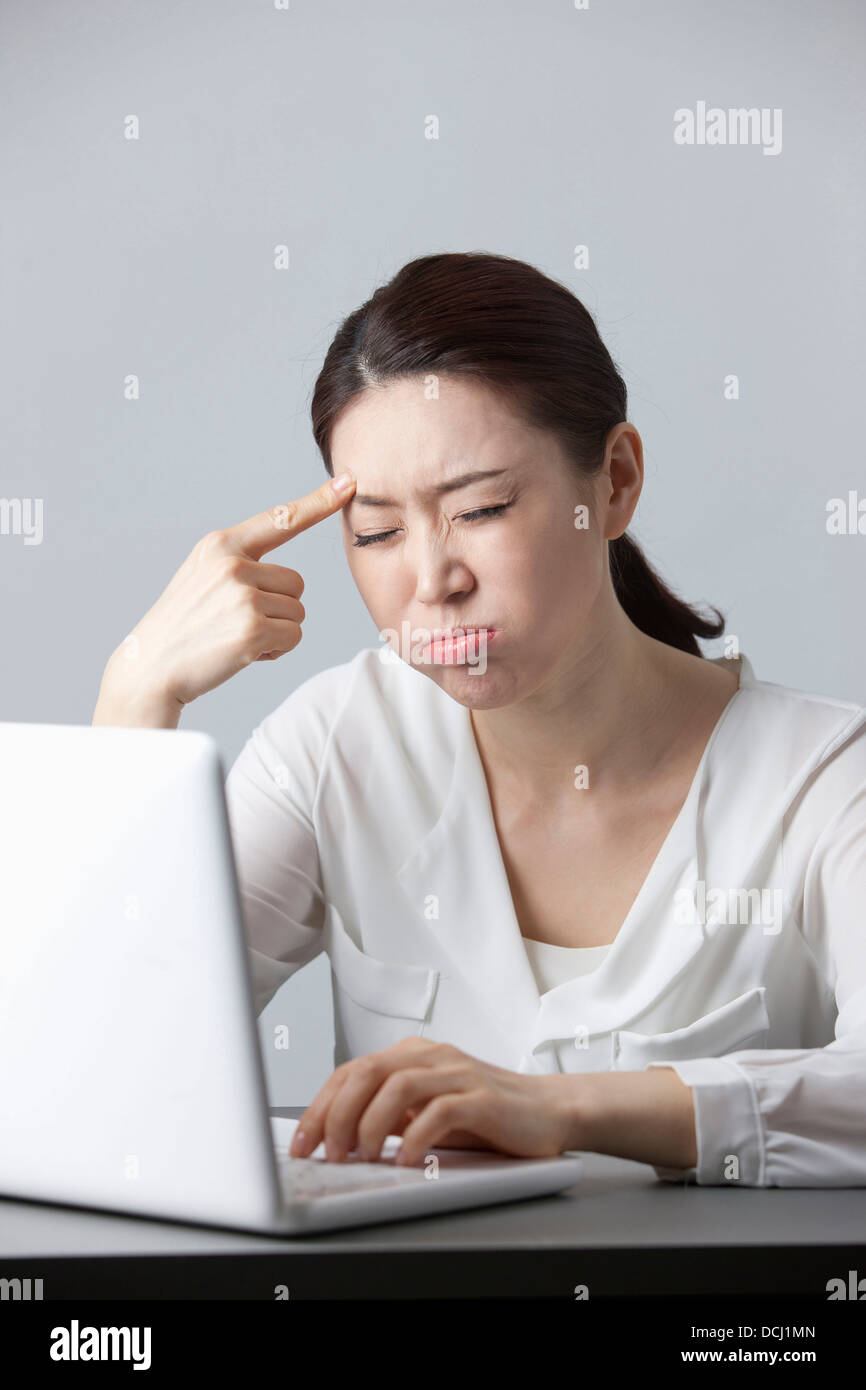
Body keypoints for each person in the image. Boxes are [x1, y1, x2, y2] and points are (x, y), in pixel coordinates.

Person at [93, 251, 866, 1186]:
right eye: (375, 531)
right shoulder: (338, 744)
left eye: (483, 508)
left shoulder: (824, 778)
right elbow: (98, 1054)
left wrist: (559, 1108)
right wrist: (135, 695)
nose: (431, 582)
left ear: (614, 483)